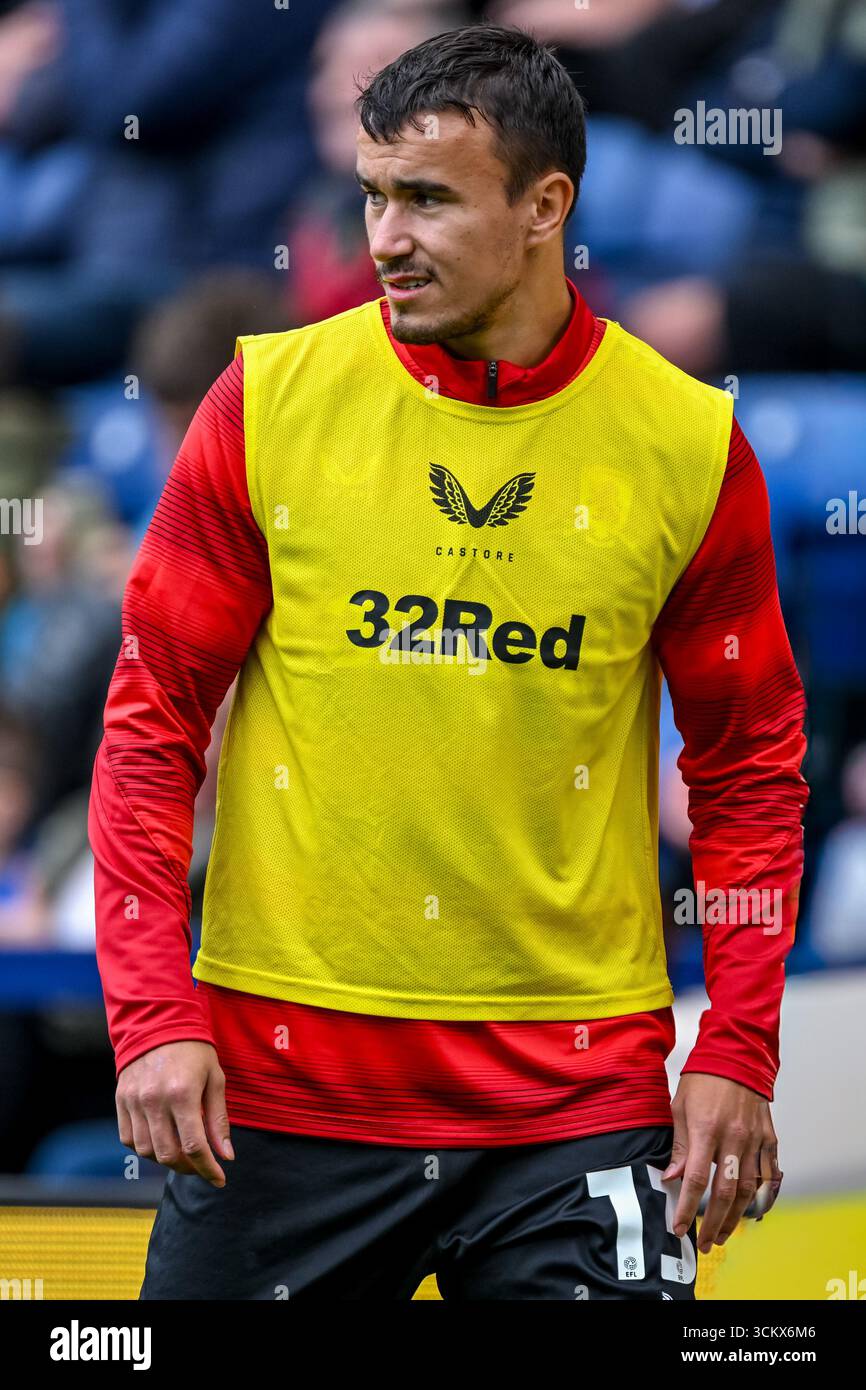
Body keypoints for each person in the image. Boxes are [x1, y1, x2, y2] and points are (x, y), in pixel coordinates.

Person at [90, 23, 808, 1301]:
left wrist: (737, 1049)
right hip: (276, 1100)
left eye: (425, 198)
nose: (383, 237)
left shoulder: (688, 445)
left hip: (572, 1106)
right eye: (372, 194)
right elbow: (149, 730)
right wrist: (153, 1018)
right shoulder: (264, 405)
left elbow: (749, 769)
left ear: (545, 206)